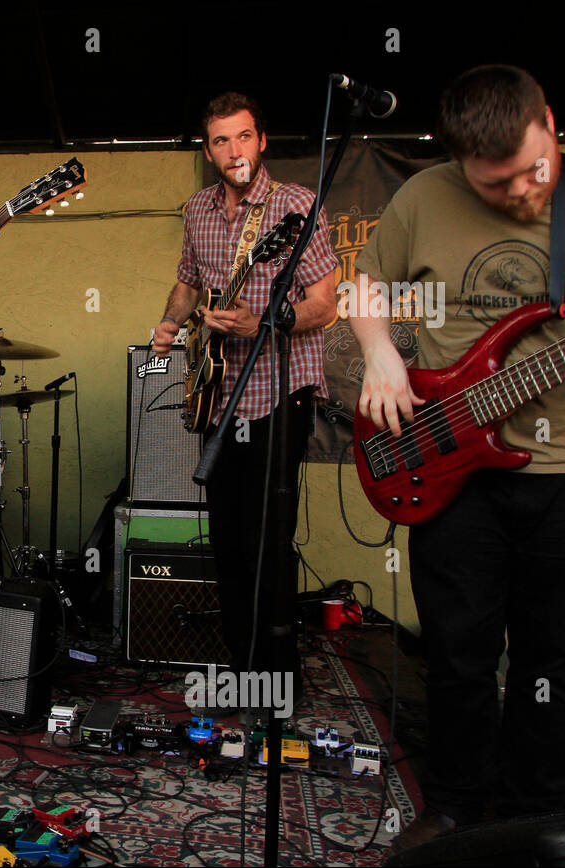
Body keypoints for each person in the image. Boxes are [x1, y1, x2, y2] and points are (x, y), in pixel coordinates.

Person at [353, 65, 565, 852]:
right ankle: (452, 806)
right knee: (456, 653)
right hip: (452, 463)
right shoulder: (421, 198)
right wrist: (382, 358)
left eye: (536, 170)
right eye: (498, 186)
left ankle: (538, 818)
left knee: (549, 659)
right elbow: (366, 290)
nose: (526, 194)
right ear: (460, 164)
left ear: (550, 122)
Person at [150, 92, 339, 706]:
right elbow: (189, 278)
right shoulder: (199, 210)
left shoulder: (294, 206)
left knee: (267, 539)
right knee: (228, 540)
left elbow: (326, 302)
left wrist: (262, 322)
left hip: (278, 391)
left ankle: (277, 679)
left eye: (244, 137)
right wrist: (171, 325)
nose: (234, 151)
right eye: (221, 141)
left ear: (262, 142)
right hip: (219, 394)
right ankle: (242, 671)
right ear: (208, 151)